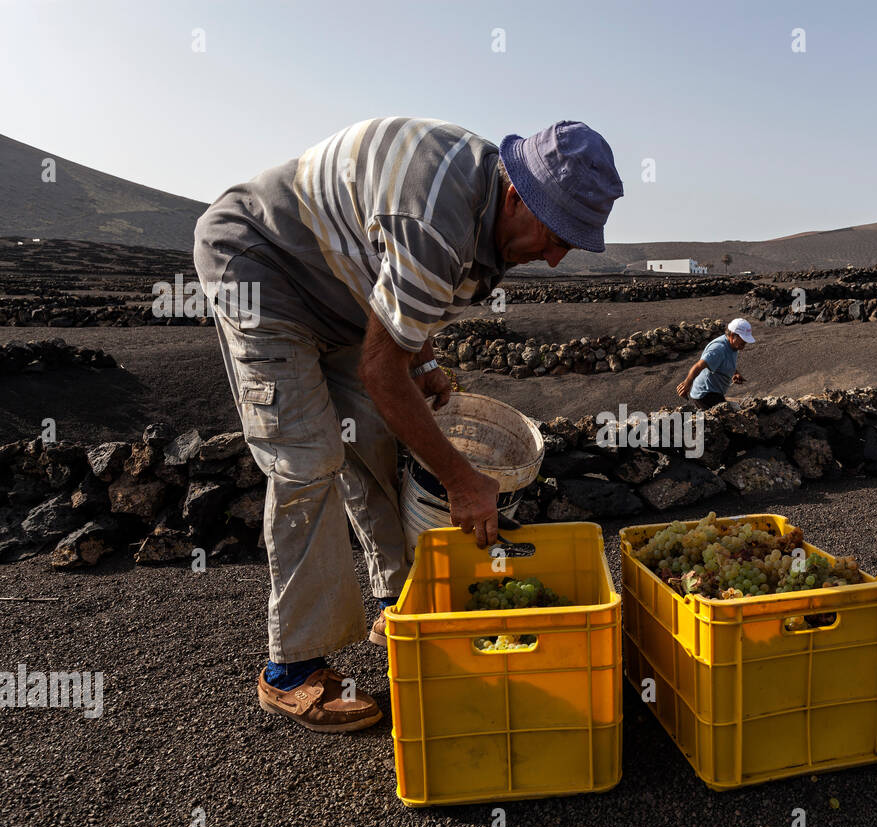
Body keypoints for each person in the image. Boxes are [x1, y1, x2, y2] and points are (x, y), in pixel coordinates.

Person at [193, 119, 623, 732]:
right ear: (514, 197)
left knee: (374, 435)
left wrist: (421, 358)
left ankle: (400, 607)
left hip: (341, 293)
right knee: (309, 457)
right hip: (264, 268)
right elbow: (379, 369)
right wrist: (462, 479)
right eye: (555, 236)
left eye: (571, 246)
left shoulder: (480, 212)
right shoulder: (435, 222)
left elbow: (389, 294)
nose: (555, 257)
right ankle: (290, 669)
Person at [676, 317, 756, 408]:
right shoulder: (718, 349)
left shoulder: (734, 346)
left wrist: (735, 372)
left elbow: (726, 360)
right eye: (743, 340)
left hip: (715, 391)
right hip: (705, 394)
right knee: (725, 418)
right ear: (733, 335)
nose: (745, 343)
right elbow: (699, 366)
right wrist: (687, 384)